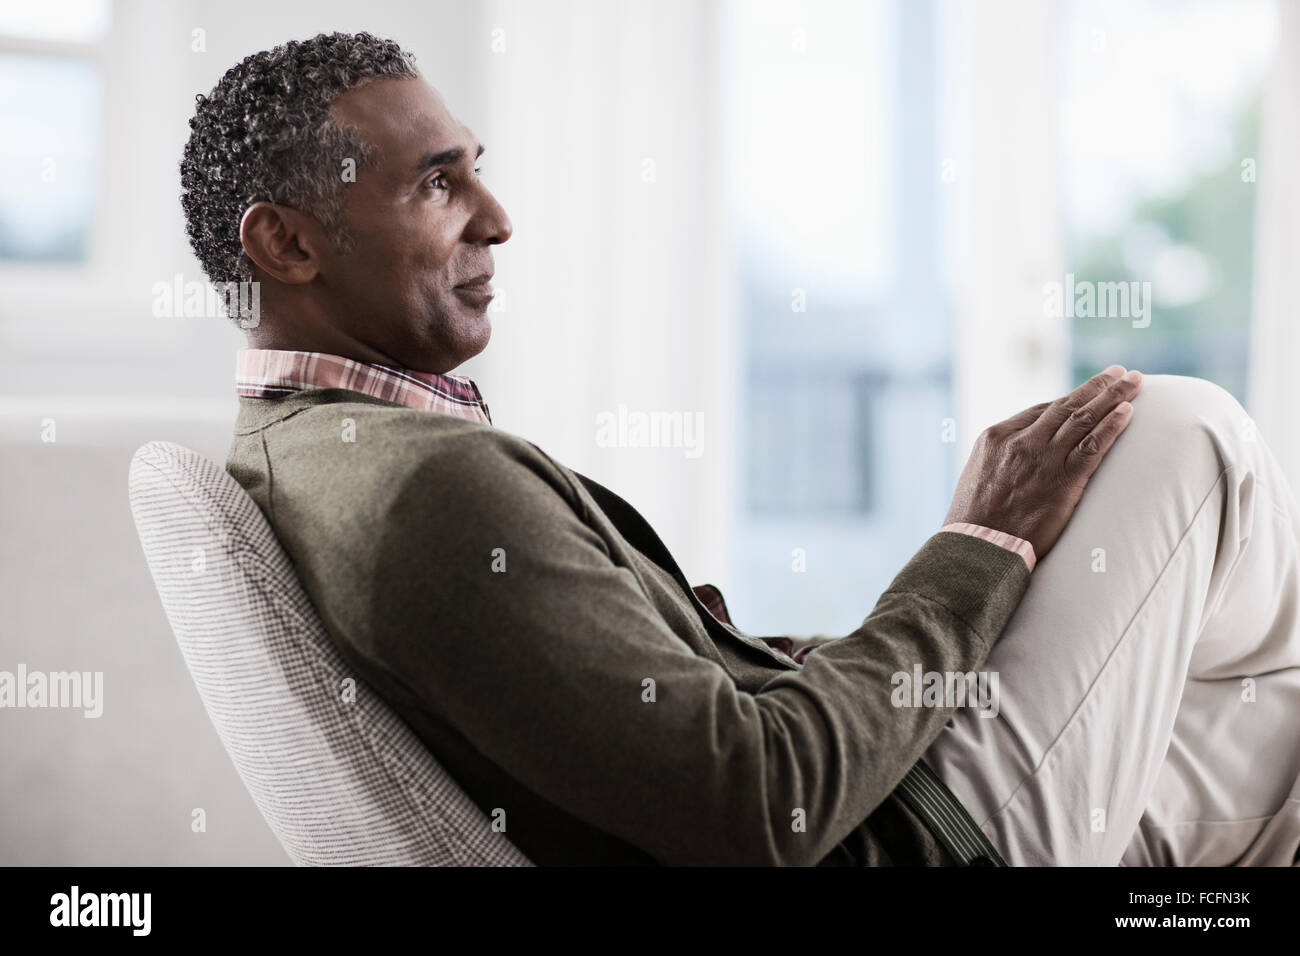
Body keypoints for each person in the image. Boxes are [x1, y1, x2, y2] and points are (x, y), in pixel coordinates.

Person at [180, 32, 1300, 866]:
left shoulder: (317, 459)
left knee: (1273, 734)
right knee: (1178, 430)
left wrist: (871, 644)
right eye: (438, 181)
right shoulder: (419, 491)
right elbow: (764, 802)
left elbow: (671, 706)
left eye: (476, 165)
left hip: (892, 799)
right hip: (905, 841)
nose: (497, 214)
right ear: (285, 241)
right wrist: (976, 547)